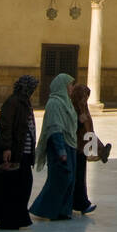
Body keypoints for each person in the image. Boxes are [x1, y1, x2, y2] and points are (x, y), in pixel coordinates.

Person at [0, 75, 38, 230]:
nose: (33, 91)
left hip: (23, 151)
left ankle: (17, 217)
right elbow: (6, 126)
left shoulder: (24, 102)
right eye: (32, 87)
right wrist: (7, 148)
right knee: (14, 186)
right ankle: (9, 219)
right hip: (15, 152)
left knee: (23, 185)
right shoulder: (13, 102)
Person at [30, 72, 78, 221]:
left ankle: (63, 211)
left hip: (70, 144)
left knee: (69, 179)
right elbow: (55, 127)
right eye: (70, 85)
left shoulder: (66, 102)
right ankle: (43, 209)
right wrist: (61, 150)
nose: (71, 88)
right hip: (59, 146)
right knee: (60, 179)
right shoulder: (54, 103)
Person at [70, 84, 111, 216]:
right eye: (83, 97)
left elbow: (89, 128)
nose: (84, 101)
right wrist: (79, 121)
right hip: (75, 147)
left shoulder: (82, 107)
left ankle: (81, 203)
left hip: (83, 146)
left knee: (80, 177)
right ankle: (81, 204)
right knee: (77, 177)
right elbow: (69, 127)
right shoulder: (72, 108)